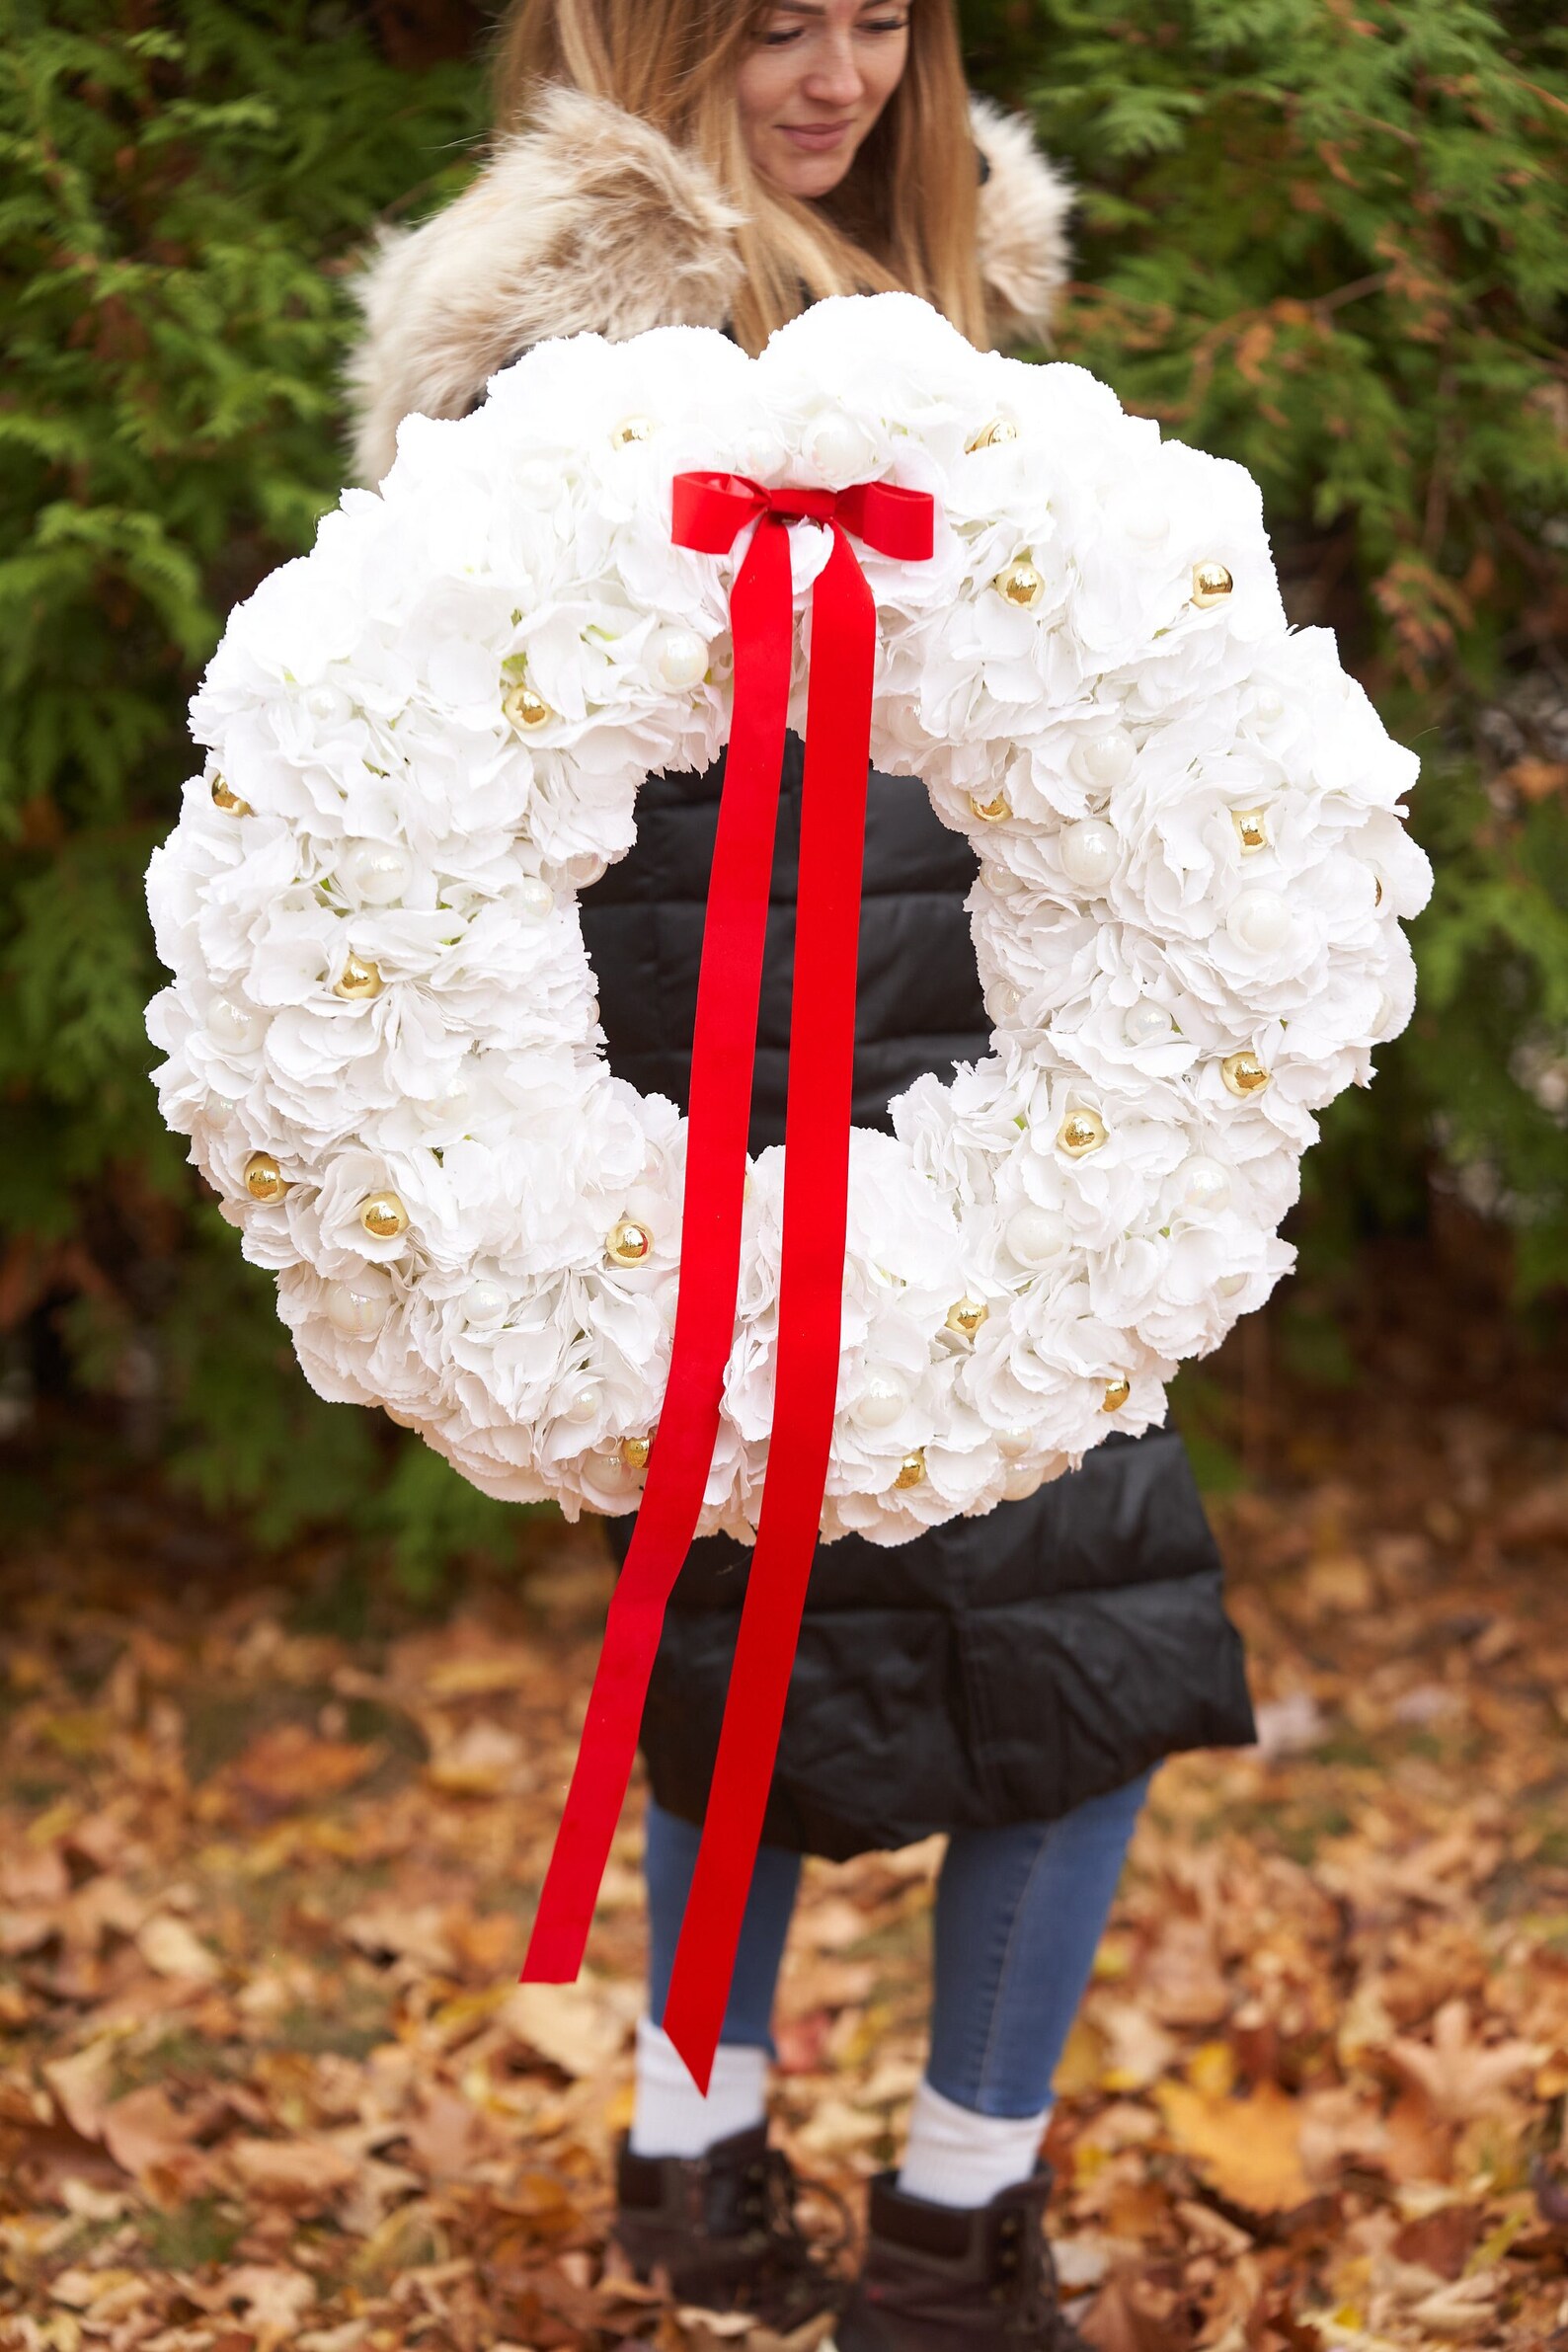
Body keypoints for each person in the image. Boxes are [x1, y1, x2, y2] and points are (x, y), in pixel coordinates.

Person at [349, 5, 1256, 2346]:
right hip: (750, 1075)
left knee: (822, 1636)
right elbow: (472, 749)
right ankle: (941, 2233)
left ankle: (699, 2165)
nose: (837, 67)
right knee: (1052, 1626)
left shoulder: (943, 290)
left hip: (978, 1075)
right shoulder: (552, 324)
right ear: (645, 29)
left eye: (880, 14)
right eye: (774, 19)